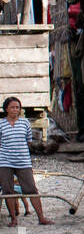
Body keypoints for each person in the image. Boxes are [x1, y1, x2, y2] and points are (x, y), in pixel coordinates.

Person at [1, 96, 51, 226]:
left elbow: (28, 142)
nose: (15, 110)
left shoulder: (25, 123)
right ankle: (13, 219)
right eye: (12, 107)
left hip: (23, 161)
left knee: (31, 190)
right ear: (6, 109)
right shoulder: (1, 124)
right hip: (5, 162)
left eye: (17, 107)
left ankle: (41, 218)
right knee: (8, 191)